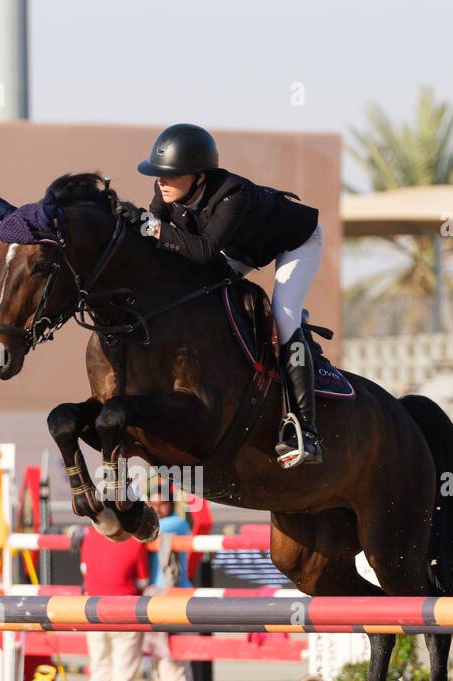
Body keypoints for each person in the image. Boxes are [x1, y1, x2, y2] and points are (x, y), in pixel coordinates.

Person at [128, 123, 325, 467]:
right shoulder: (165, 192)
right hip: (241, 249)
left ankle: (304, 431)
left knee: (284, 316)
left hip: (295, 242)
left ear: (200, 177)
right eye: (159, 175)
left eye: (171, 175)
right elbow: (157, 246)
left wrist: (153, 226)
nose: (161, 181)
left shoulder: (234, 193)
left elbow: (203, 251)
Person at [142, 496, 208, 681]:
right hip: (159, 600)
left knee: (173, 661)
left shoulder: (176, 523)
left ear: (171, 506)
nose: (158, 509)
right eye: (153, 503)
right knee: (164, 663)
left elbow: (143, 530)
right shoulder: (157, 525)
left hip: (175, 600)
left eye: (162, 504)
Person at [77, 528, 150, 681]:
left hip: (94, 609)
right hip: (124, 611)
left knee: (100, 668)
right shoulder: (135, 539)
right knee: (123, 672)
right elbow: (143, 581)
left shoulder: (90, 535)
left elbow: (84, 569)